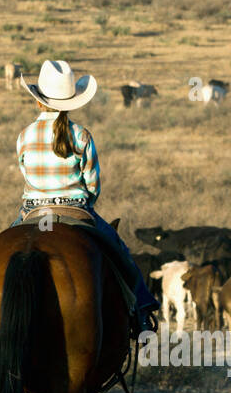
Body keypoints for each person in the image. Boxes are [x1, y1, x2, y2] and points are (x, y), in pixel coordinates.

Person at [10, 60, 158, 334]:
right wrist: (82, 202)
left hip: (31, 212)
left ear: (39, 102)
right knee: (120, 252)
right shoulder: (81, 135)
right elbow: (92, 185)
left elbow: (26, 176)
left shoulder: (24, 136)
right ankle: (141, 313)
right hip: (76, 211)